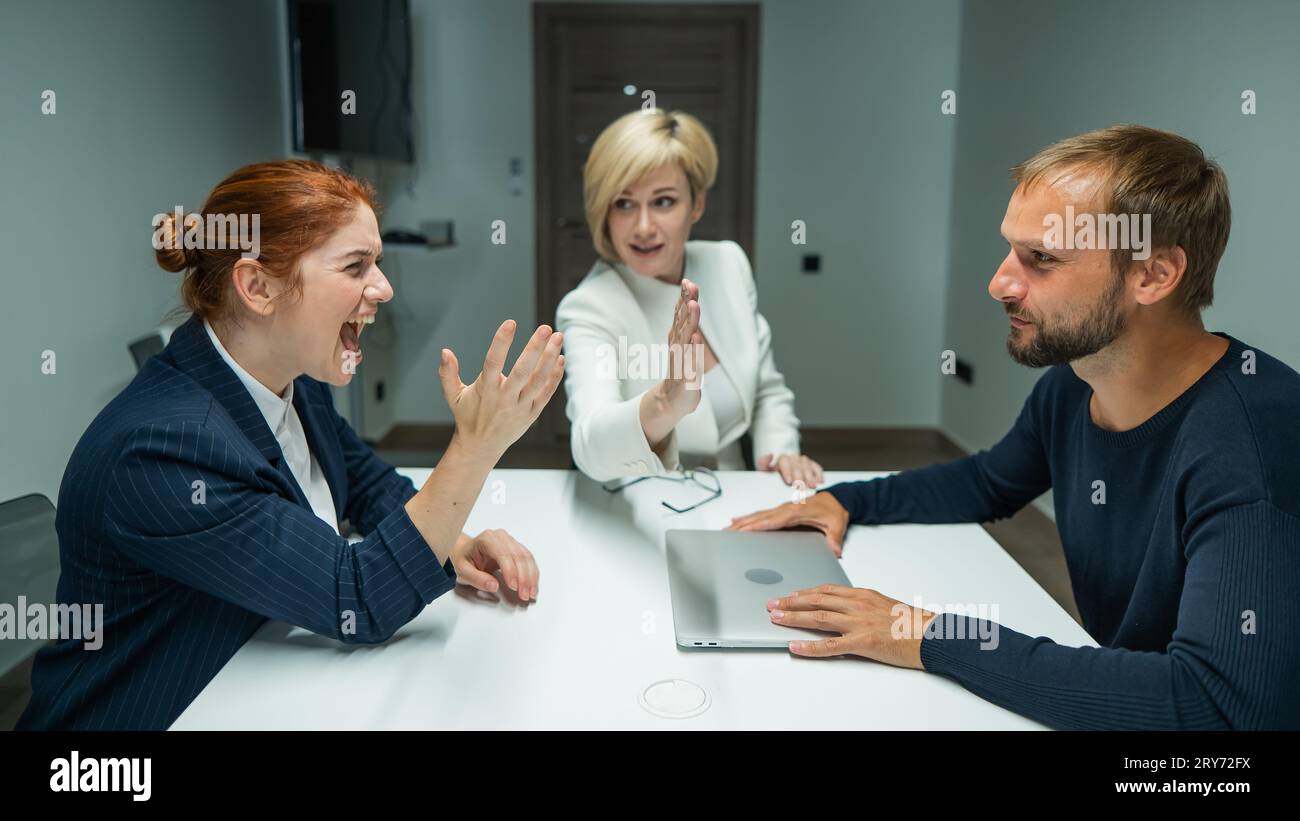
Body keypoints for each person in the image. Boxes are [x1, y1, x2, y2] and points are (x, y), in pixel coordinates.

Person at [727, 125, 1300, 729]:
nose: (999, 283)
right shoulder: (1077, 383)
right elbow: (988, 482)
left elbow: (1213, 707)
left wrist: (927, 635)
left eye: (1043, 259)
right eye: (1011, 250)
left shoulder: (1253, 442)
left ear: (1153, 276)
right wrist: (842, 500)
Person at [18, 160, 564, 730]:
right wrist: (475, 448)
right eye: (356, 266)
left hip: (253, 684)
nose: (383, 287)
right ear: (257, 288)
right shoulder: (160, 450)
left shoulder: (292, 379)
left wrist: (455, 540)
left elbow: (367, 485)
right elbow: (356, 599)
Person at [557, 109, 822, 487]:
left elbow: (766, 391)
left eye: (663, 201)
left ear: (696, 204)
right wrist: (663, 404)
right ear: (604, 213)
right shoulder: (588, 306)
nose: (644, 227)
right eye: (624, 203)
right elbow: (589, 444)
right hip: (637, 504)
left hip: (735, 498)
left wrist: (781, 456)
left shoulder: (727, 264)